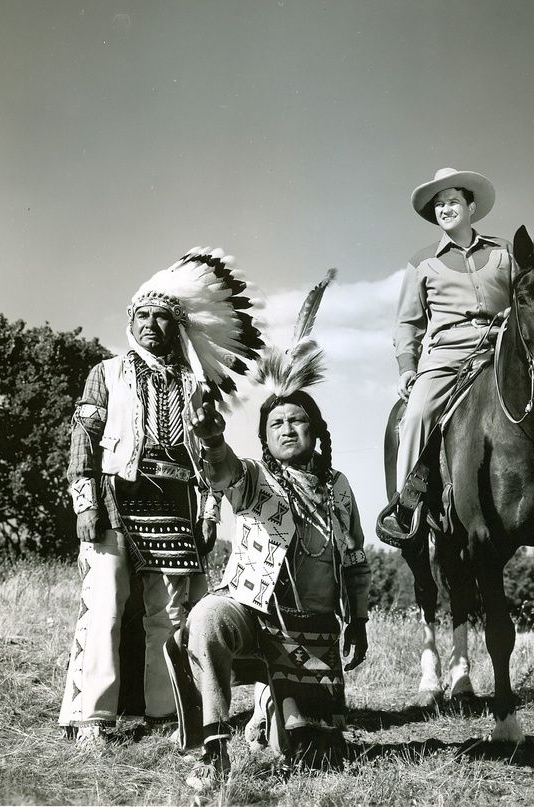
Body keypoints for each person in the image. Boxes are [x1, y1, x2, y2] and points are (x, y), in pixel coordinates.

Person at [164, 280, 371, 793]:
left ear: (315, 432)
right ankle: (214, 748)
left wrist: (360, 620)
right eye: (276, 422)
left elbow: (356, 559)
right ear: (265, 435)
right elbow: (222, 471)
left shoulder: (339, 488)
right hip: (252, 617)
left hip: (311, 635)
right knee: (207, 616)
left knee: (310, 759)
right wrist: (211, 437)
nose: (286, 428)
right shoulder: (255, 477)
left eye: (297, 420)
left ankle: (275, 719)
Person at [58, 248, 262, 746]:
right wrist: (85, 503)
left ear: (178, 328)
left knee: (168, 616)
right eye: (143, 315)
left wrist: (211, 511)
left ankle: (164, 713)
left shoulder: (196, 386)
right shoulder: (105, 374)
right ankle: (93, 716)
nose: (152, 324)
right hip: (111, 502)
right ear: (130, 321)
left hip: (175, 507)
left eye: (163, 317)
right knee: (104, 604)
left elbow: (207, 458)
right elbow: (83, 440)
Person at [378, 166, 516, 543]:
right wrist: (408, 368)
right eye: (439, 205)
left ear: (470, 206)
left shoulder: (505, 251)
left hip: (502, 350)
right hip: (446, 356)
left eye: (452, 201)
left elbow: (529, 299)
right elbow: (408, 323)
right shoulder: (421, 261)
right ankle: (406, 507)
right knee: (417, 414)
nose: (445, 208)